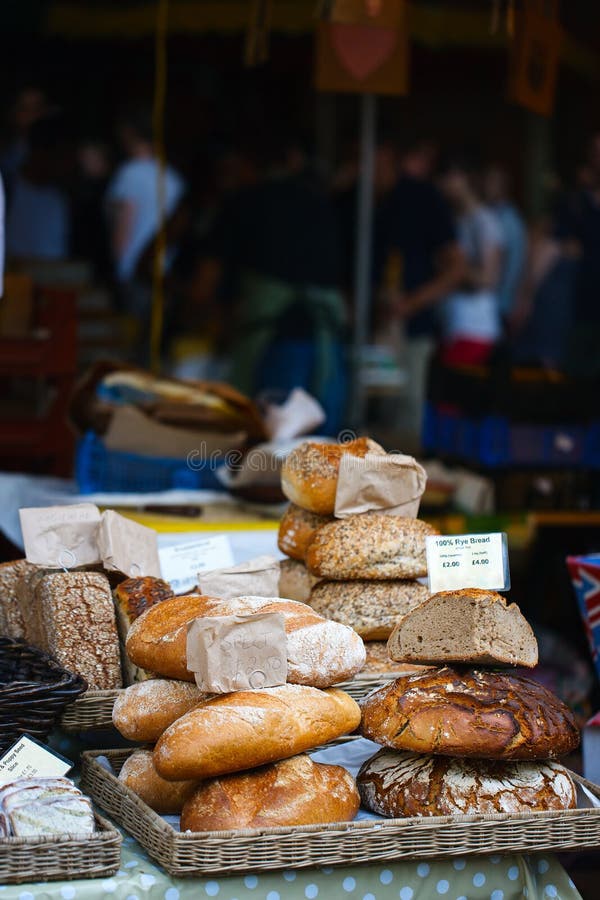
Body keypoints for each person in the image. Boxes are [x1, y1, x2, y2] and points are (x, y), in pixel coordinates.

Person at [202, 134, 347, 432]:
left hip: (276, 342)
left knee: (275, 446)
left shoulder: (245, 202)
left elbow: (204, 282)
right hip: (326, 344)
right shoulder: (320, 202)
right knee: (324, 450)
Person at [375, 137, 465, 444]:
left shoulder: (422, 198)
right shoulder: (356, 198)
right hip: (364, 330)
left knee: (404, 415)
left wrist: (409, 304)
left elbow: (456, 267)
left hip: (411, 331)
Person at [104, 105, 185, 352]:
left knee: (129, 348)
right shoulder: (173, 177)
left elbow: (123, 225)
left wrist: (117, 271)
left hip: (133, 272)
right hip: (163, 273)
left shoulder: (128, 175)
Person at [437, 156, 503, 367]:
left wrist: (451, 267)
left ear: (465, 178)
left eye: (449, 176)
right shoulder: (452, 219)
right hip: (450, 323)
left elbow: (488, 278)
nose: (444, 184)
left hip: (474, 326)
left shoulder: (484, 221)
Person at [553, 132, 600, 377]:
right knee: (577, 380)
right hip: (579, 306)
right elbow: (562, 246)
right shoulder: (576, 203)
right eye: (595, 151)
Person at [5, 113, 73, 261]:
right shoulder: (8, 188)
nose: (67, 164)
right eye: (61, 155)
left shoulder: (67, 195)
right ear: (39, 152)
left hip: (61, 280)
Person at [481, 163, 527, 324]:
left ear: (503, 187)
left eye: (491, 182)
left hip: (500, 302)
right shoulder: (488, 214)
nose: (485, 186)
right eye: (485, 181)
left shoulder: (508, 219)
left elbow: (515, 262)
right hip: (490, 300)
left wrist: (508, 298)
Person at [0, 85, 49, 199]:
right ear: (14, 112)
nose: (33, 116)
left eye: (38, 108)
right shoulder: (7, 154)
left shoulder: (60, 156)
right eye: (26, 109)